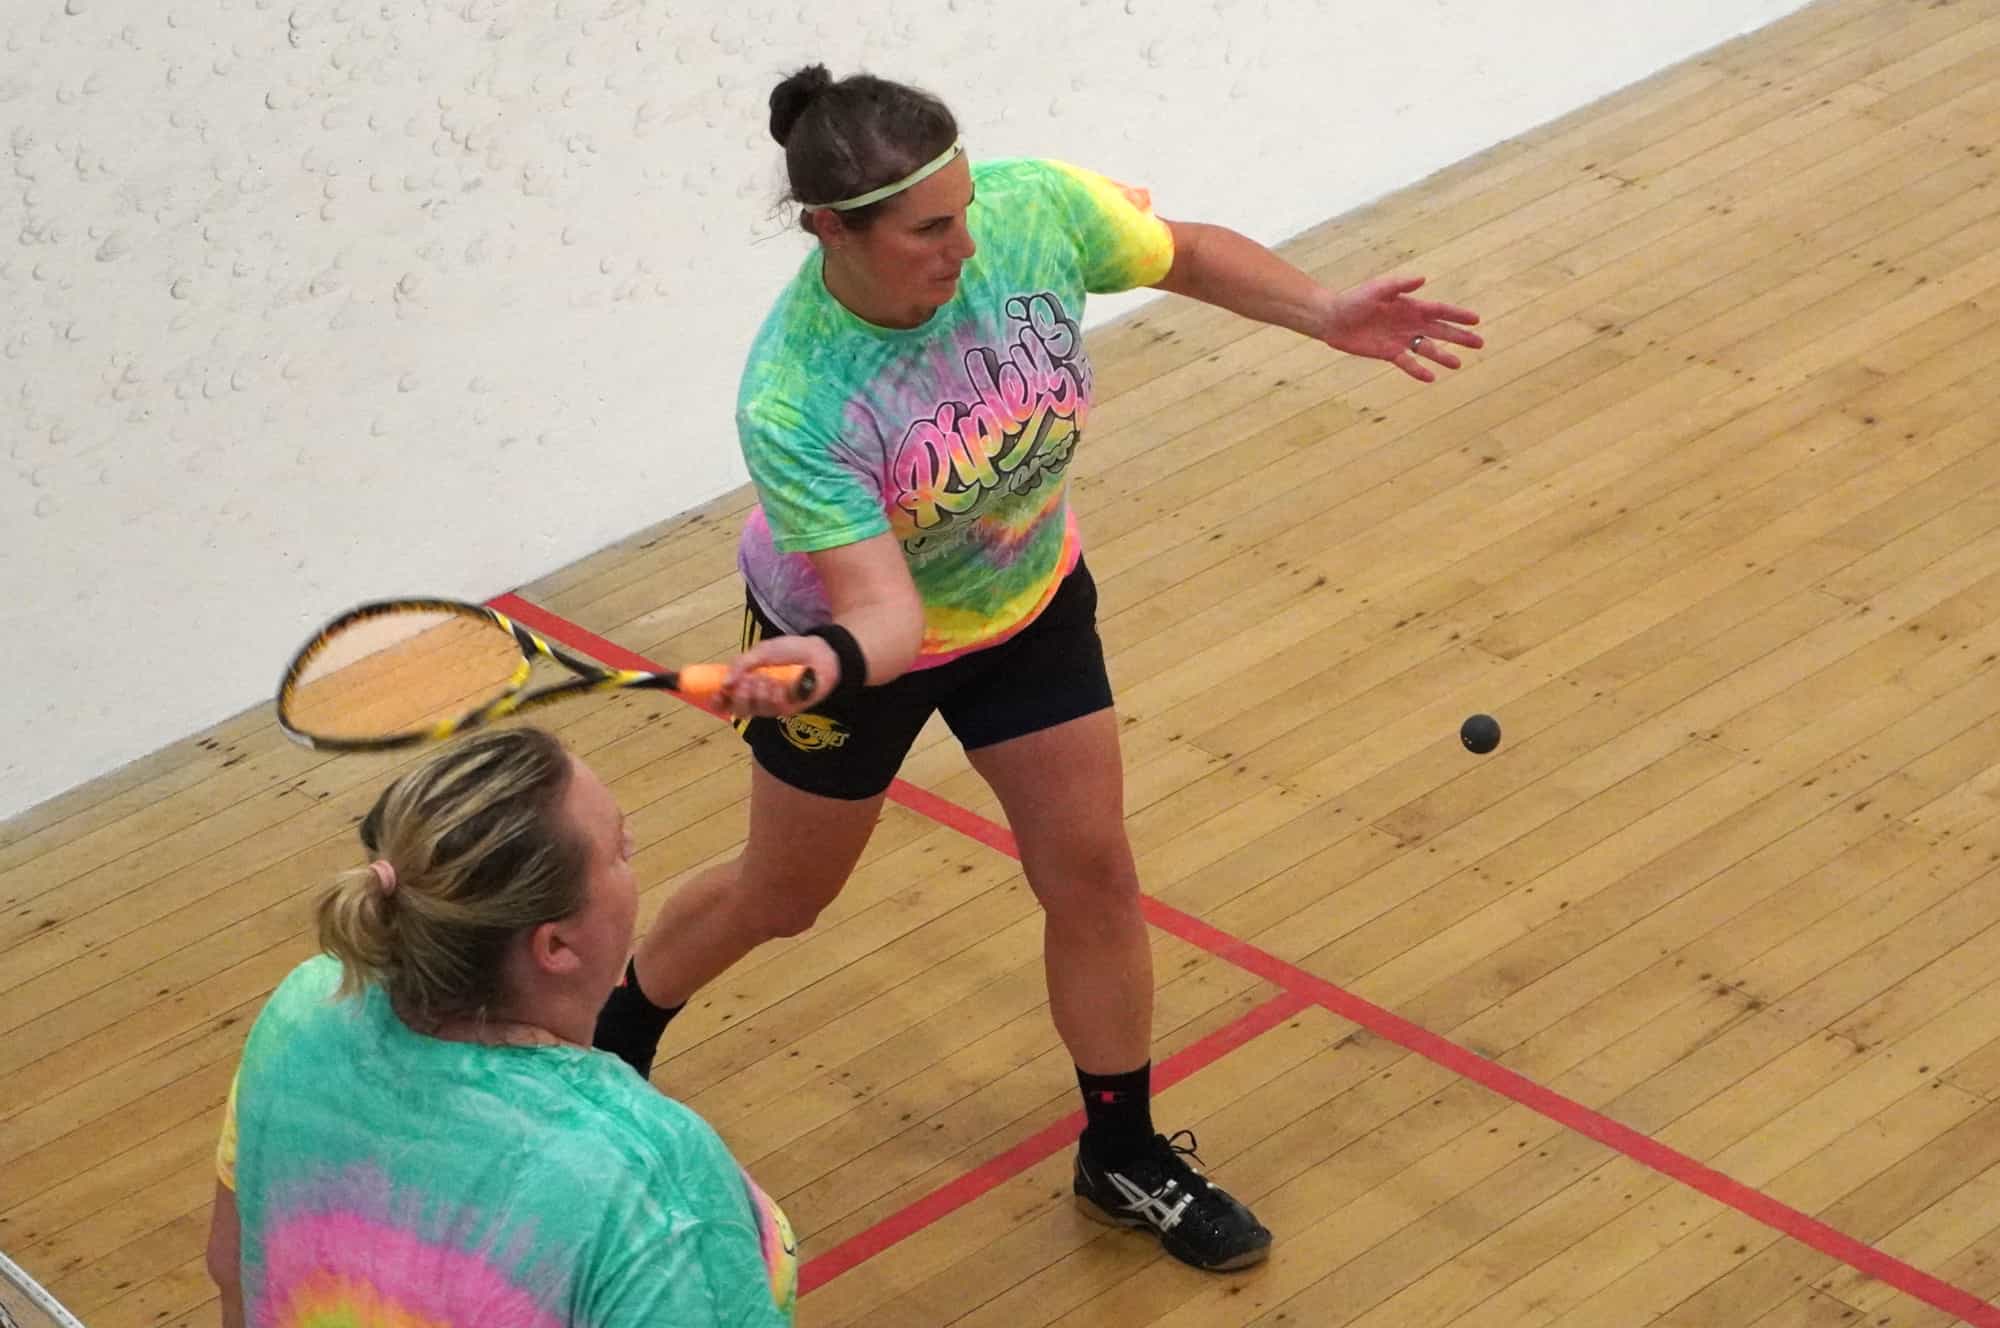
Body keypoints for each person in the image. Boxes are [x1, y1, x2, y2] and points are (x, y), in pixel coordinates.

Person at [591, 64, 1483, 1273]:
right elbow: (887, 617)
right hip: (860, 642)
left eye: (962, 208)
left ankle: (1121, 1150)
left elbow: (1180, 252)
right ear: (829, 231)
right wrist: (827, 663)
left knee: (1094, 871)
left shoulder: (1028, 209)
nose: (964, 243)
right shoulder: (798, 394)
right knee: (782, 897)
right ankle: (611, 1042)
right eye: (926, 228)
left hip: (1028, 595)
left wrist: (1322, 312)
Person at [205, 728, 797, 1327]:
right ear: (557, 944)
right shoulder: (645, 1183)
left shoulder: (309, 1004)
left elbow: (233, 1273)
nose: (633, 846)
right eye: (619, 850)